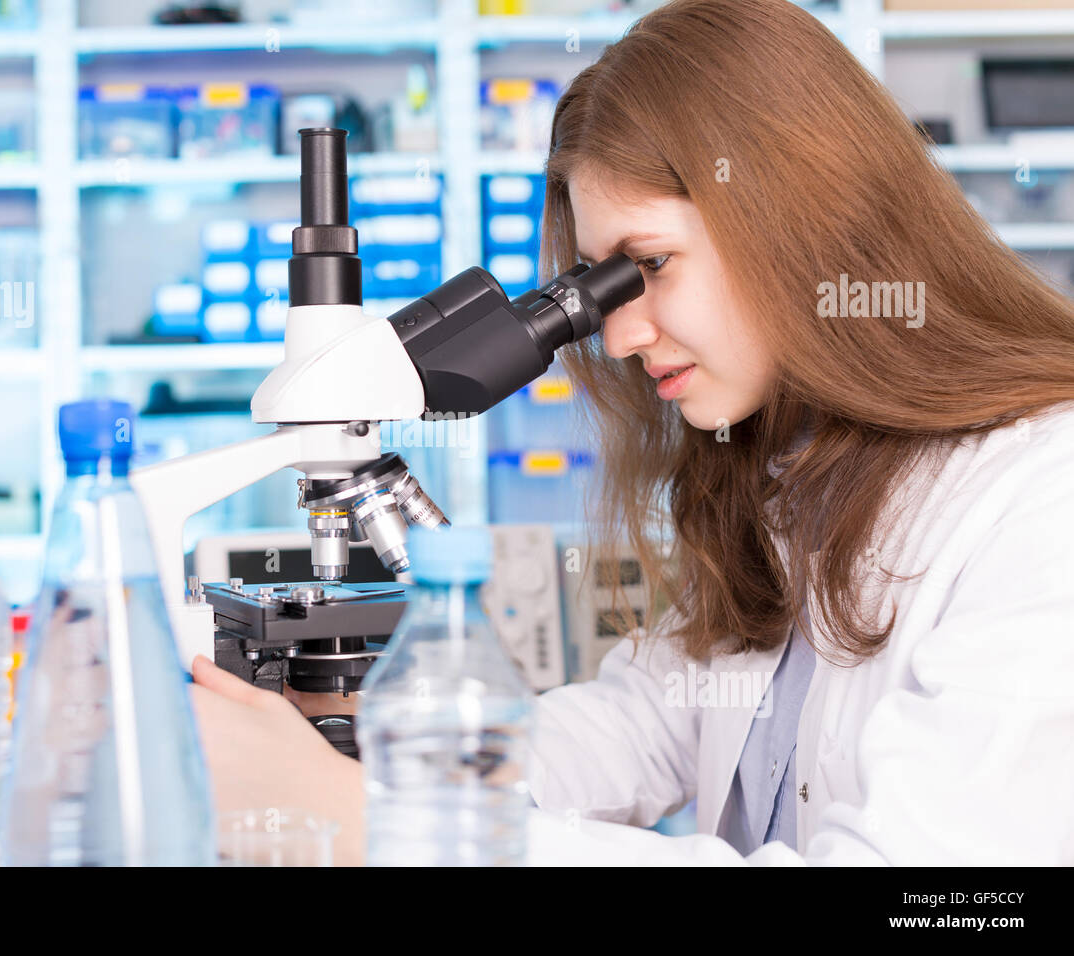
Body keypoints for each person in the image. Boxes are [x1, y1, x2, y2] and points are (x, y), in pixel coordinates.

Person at [188, 0, 1074, 865]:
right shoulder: (791, 470)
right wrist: (376, 765)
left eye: (649, 266)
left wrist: (367, 824)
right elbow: (643, 726)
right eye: (603, 285)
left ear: (806, 219)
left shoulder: (1044, 496)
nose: (616, 335)